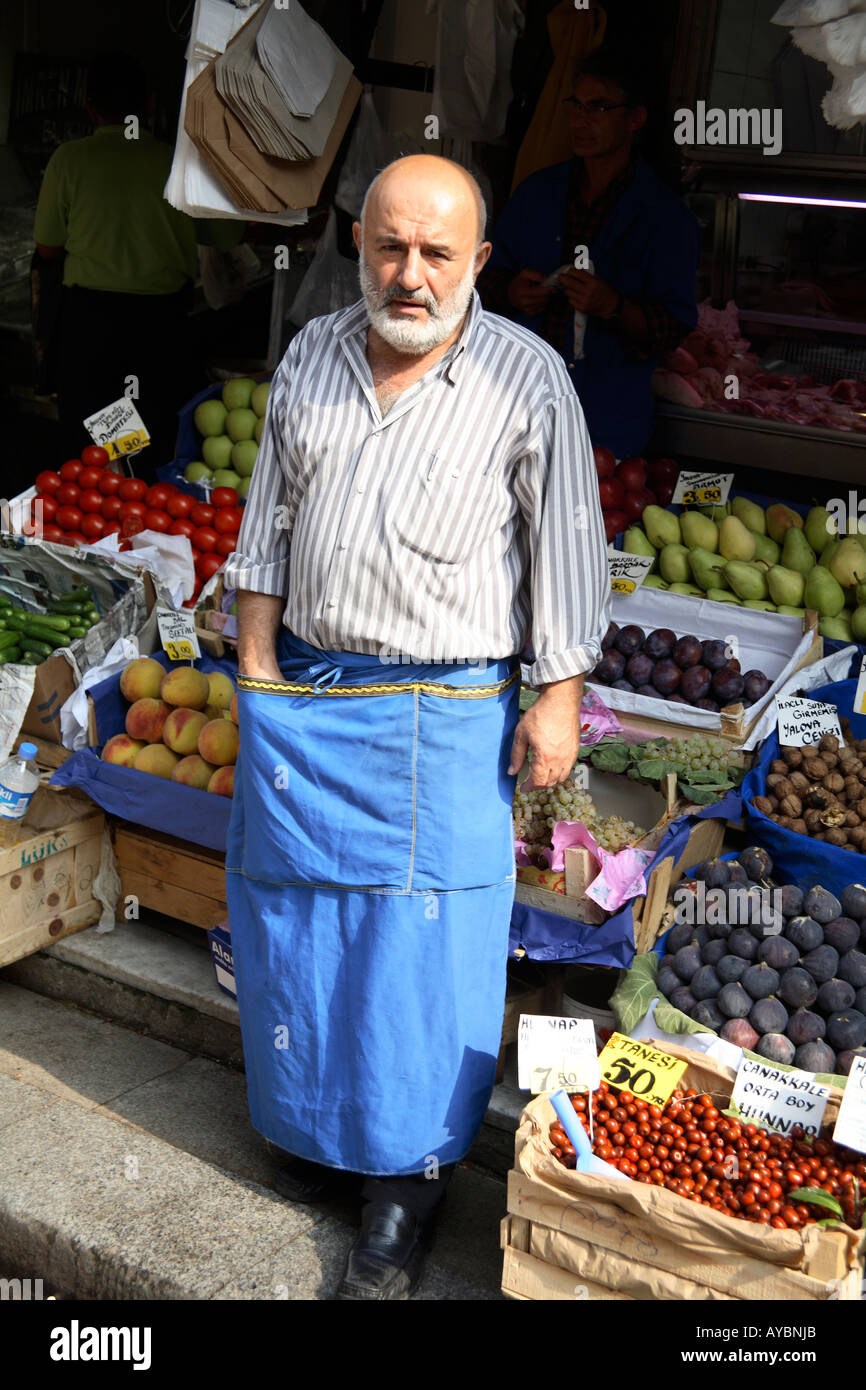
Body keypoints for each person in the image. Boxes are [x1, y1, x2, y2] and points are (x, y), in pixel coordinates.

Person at [223, 153, 610, 1301]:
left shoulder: (527, 377)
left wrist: (557, 697)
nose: (409, 273)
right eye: (389, 246)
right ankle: (319, 1131)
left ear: (478, 261)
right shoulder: (310, 353)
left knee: (421, 954)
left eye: (437, 252)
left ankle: (406, 1186)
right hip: (310, 698)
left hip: (446, 709)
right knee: (300, 923)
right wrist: (253, 667)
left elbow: (567, 556)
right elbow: (268, 519)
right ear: (356, 244)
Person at [477, 49, 700, 458]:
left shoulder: (665, 217)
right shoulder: (536, 193)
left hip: (605, 426)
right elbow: (476, 282)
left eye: (597, 107)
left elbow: (674, 326)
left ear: (636, 117)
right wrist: (510, 291)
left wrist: (613, 306)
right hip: (511, 409)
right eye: (576, 106)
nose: (580, 119)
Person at [33, 53, 237, 477]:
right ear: (147, 106)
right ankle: (141, 511)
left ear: (91, 108)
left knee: (95, 443)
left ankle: (100, 514)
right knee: (151, 435)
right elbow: (227, 237)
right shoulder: (181, 164)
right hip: (159, 326)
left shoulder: (68, 160)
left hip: (91, 325)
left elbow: (48, 249)